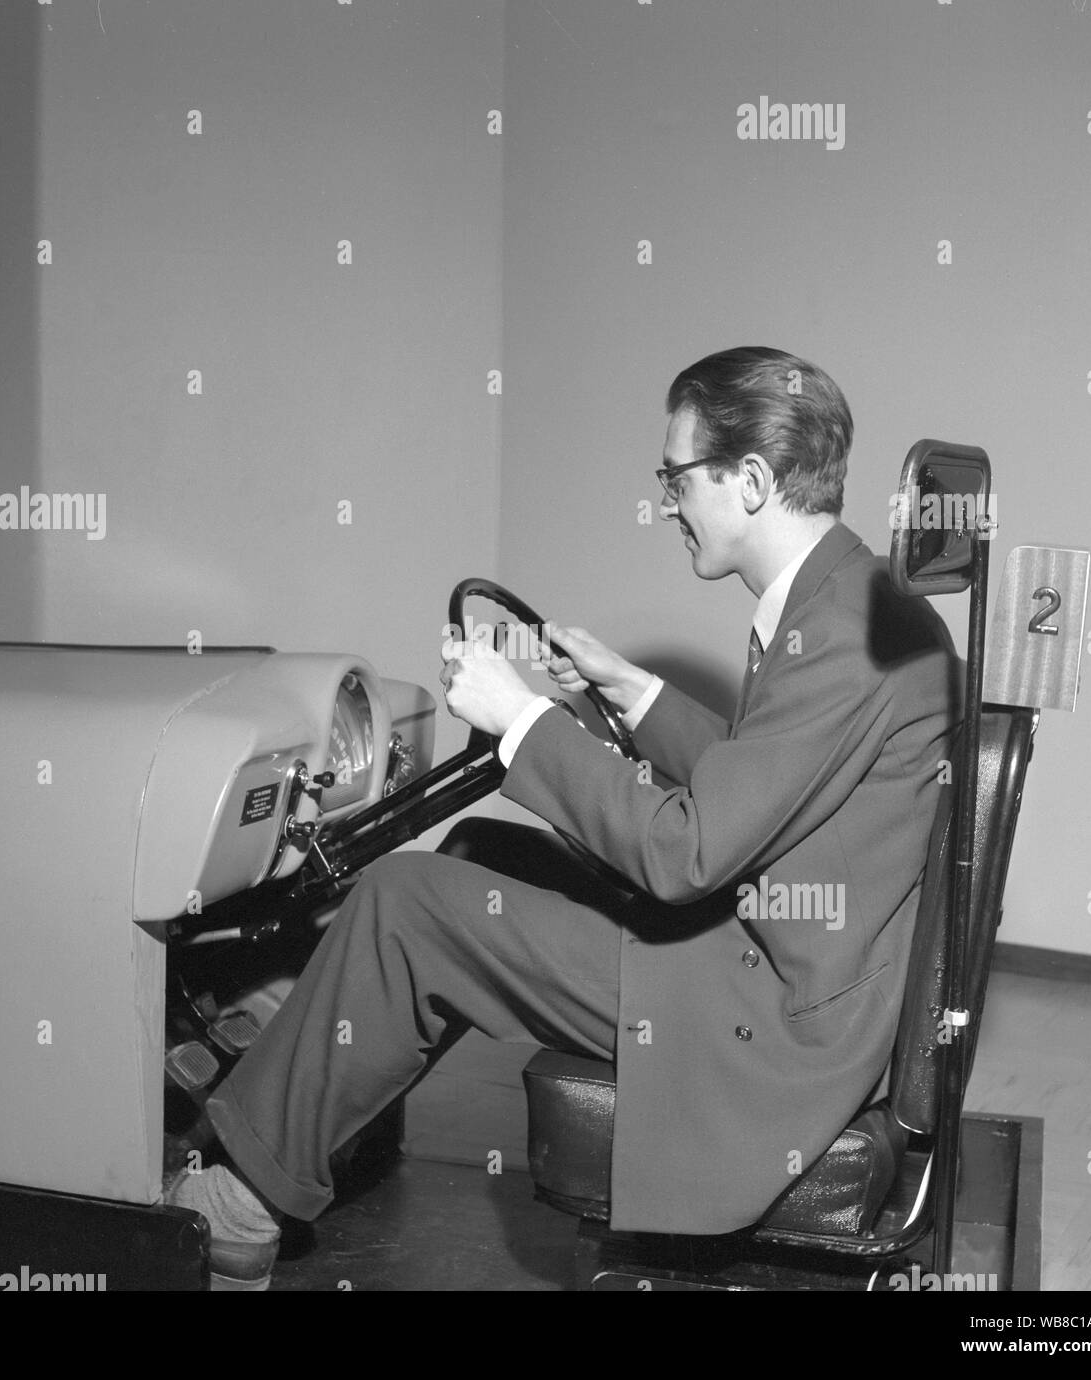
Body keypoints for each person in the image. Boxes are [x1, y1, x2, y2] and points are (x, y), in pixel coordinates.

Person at [170, 346, 961, 1288]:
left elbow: (686, 854)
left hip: (763, 1009)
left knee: (403, 901)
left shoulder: (834, 632)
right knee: (479, 849)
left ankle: (239, 1205)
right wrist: (634, 692)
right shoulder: (850, 596)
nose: (667, 505)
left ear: (750, 481)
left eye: (676, 479)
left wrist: (523, 721)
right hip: (775, 950)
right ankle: (320, 1095)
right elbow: (777, 781)